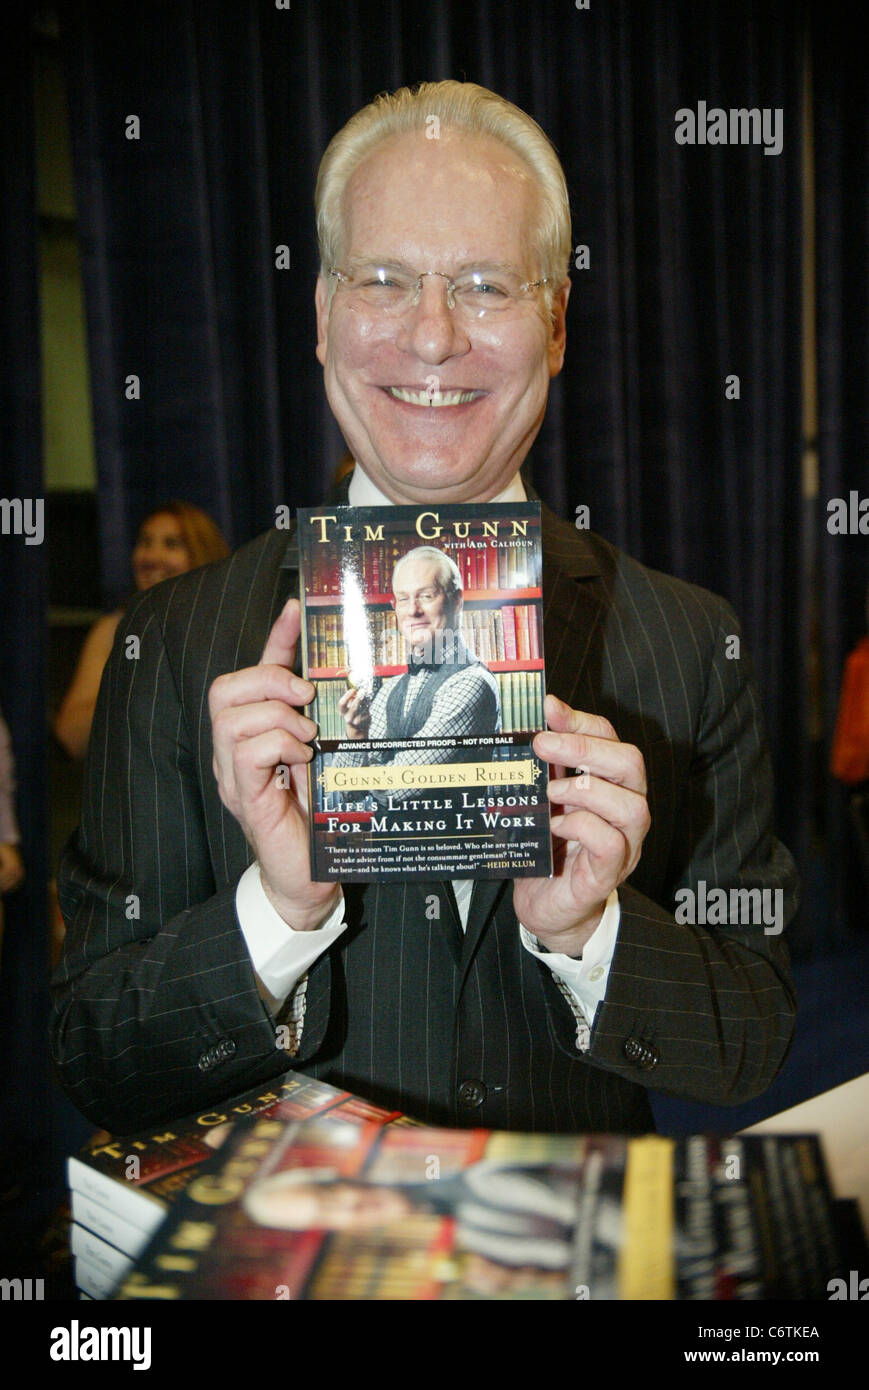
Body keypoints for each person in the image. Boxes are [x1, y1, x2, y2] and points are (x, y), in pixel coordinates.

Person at [51, 81, 798, 1137]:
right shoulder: (167, 643)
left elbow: (749, 1038)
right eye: (385, 280)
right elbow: (92, 1054)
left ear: (554, 322)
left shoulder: (687, 644)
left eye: (486, 285)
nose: (433, 336)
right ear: (321, 316)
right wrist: (277, 910)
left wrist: (589, 934)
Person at [53, 501, 230, 760]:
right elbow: (71, 737)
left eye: (171, 544)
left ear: (202, 554)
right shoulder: (115, 628)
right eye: (145, 542)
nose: (151, 557)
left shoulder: (229, 627)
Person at [335, 544, 501, 748]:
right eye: (403, 599)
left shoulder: (473, 683)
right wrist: (357, 735)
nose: (413, 610)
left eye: (426, 596)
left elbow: (404, 773)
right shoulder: (390, 690)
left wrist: (367, 760)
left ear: (457, 601)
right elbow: (353, 779)